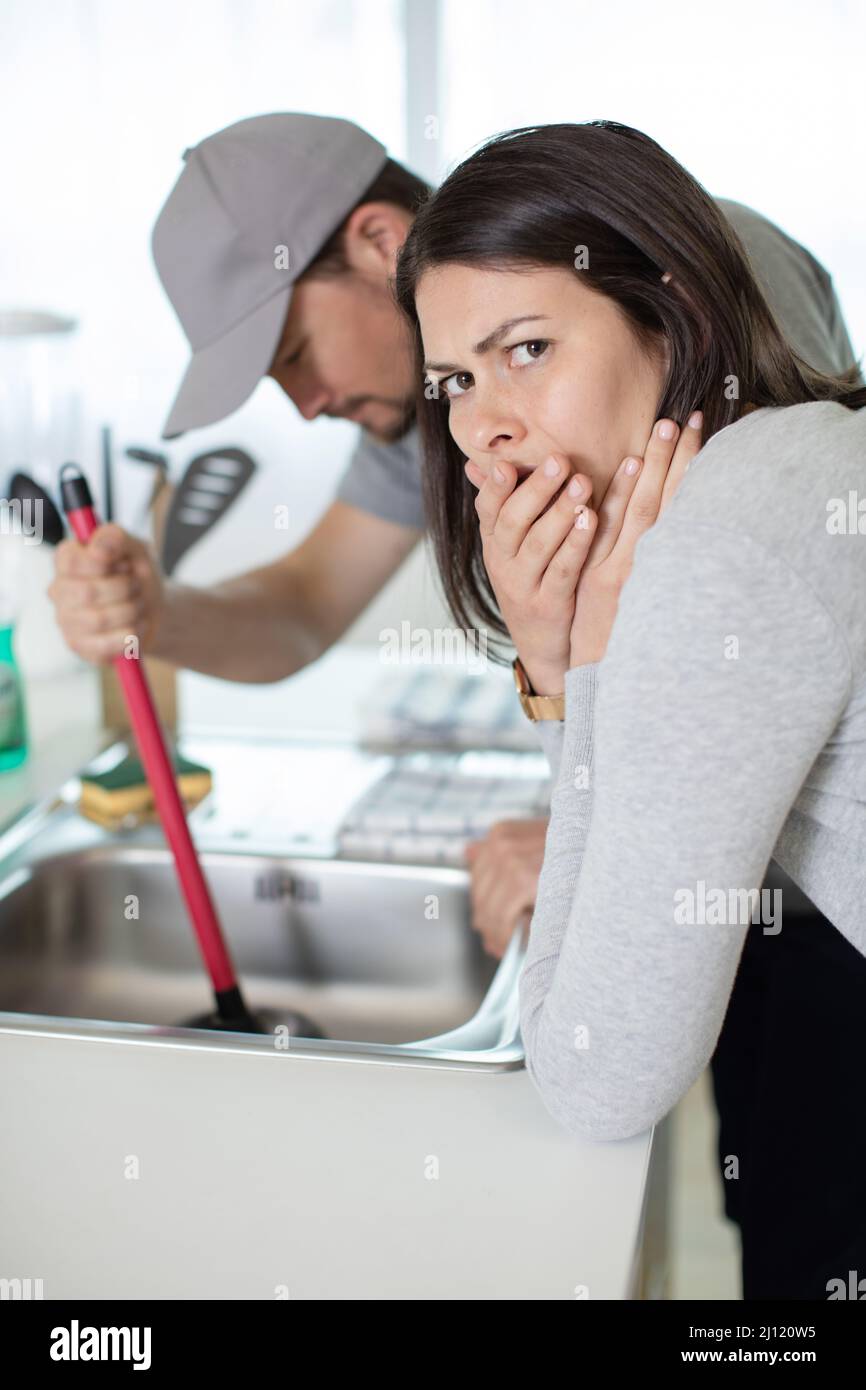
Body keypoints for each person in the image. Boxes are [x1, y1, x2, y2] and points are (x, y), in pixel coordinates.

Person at [48, 112, 858, 963]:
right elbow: (308, 603)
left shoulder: (696, 289)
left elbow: (753, 658)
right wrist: (155, 611)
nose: (306, 404)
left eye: (294, 354)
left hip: (813, 910)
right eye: (458, 382)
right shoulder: (462, 410)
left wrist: (594, 850)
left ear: (375, 242)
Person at [394, 118, 866, 1300]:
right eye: (453, 379)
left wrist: (578, 663)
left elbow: (598, 1074)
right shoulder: (790, 459)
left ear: (666, 314)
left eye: (527, 349)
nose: (479, 424)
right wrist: (568, 666)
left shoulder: (720, 546)